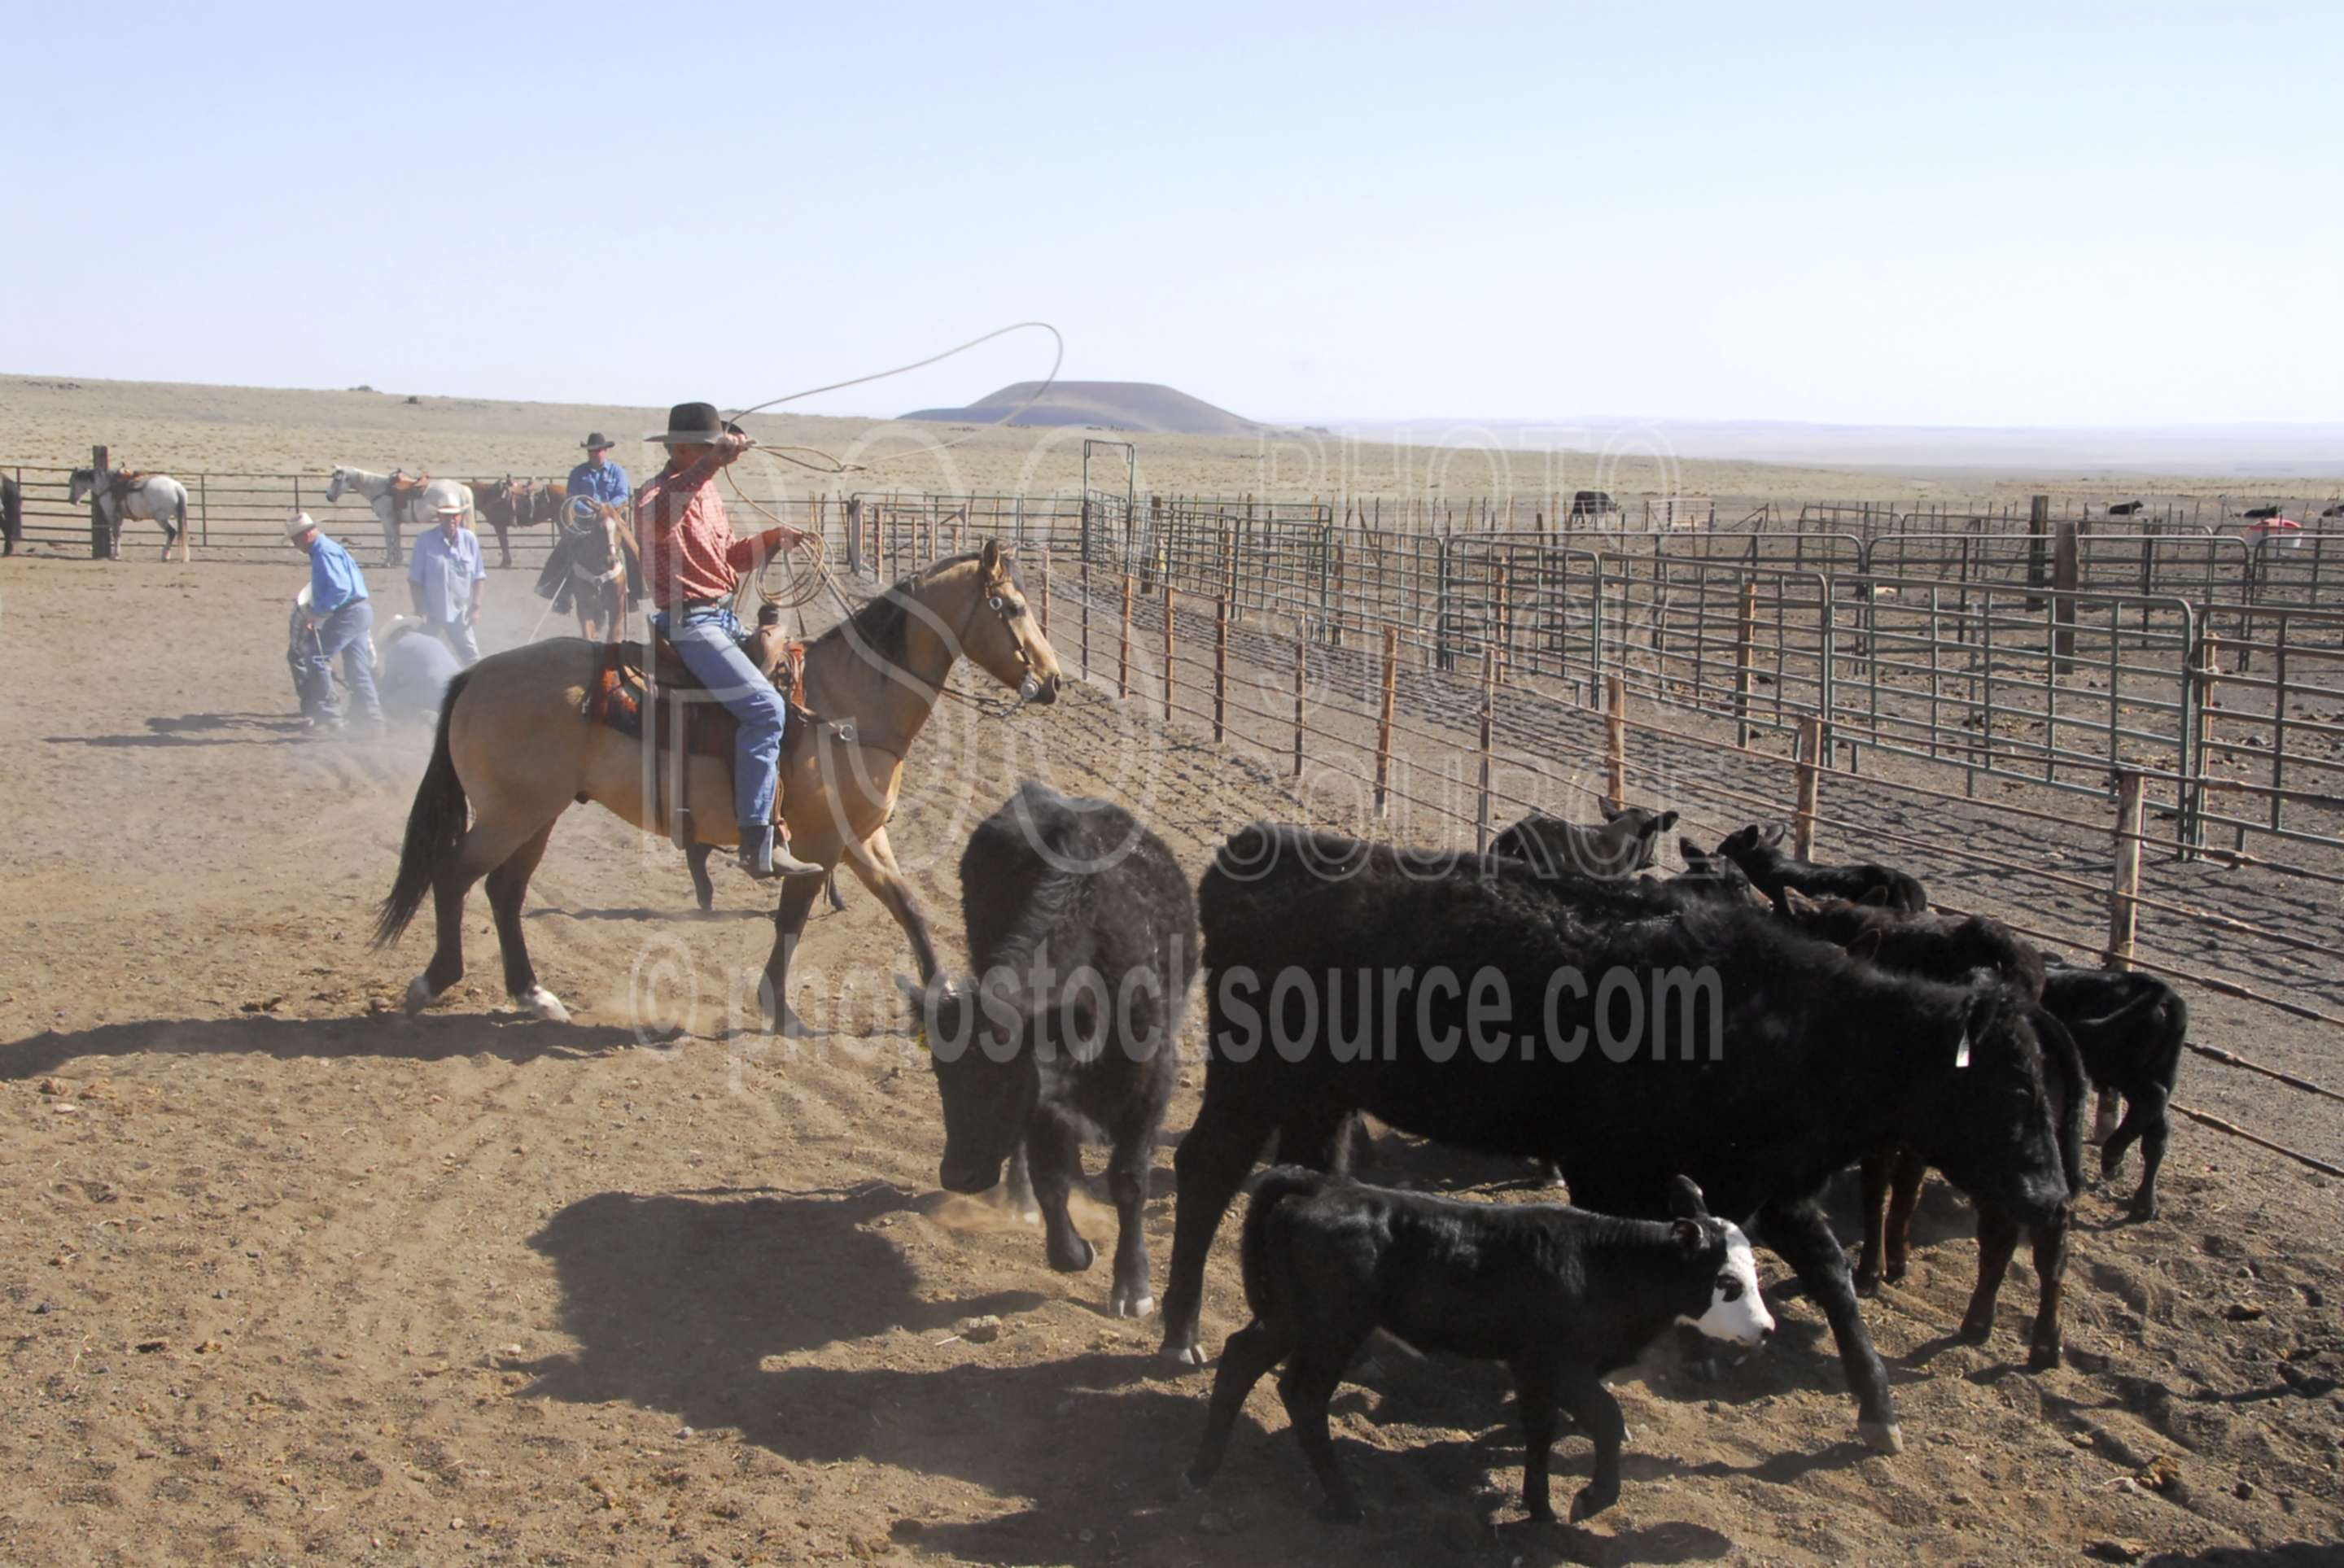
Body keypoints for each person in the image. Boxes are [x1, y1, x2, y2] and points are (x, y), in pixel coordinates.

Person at [637, 400, 818, 879]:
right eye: (707, 448)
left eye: (715, 449)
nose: (717, 456)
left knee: (795, 679)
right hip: (690, 624)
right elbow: (662, 519)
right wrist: (712, 463)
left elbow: (732, 559)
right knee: (765, 710)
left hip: (722, 618)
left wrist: (772, 539)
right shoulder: (653, 495)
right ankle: (756, 841)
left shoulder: (709, 495)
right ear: (681, 449)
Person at [286, 511, 383, 736]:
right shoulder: (329, 549)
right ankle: (373, 719)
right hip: (359, 611)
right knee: (357, 669)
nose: (296, 545)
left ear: (306, 535)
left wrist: (317, 613)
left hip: (347, 613)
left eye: (296, 540)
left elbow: (340, 589)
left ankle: (330, 716)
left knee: (315, 657)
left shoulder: (323, 552)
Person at [407, 500, 486, 665]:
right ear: (439, 517)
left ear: (460, 517)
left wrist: (476, 607)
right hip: (431, 611)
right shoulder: (425, 540)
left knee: (472, 657)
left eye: (455, 515)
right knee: (422, 656)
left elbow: (479, 576)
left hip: (460, 612)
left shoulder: (469, 540)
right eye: (447, 516)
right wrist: (420, 609)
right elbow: (415, 579)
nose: (451, 519)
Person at [378, 614, 462, 726]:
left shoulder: (397, 647)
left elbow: (388, 684)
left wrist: (376, 697)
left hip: (435, 695)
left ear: (397, 633)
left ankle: (421, 720)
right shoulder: (433, 640)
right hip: (458, 692)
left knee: (389, 700)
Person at [566, 431, 631, 514]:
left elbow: (622, 495)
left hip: (612, 514)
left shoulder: (617, 472)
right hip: (585, 517)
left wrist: (606, 508)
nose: (594, 453)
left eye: (597, 450)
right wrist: (588, 511)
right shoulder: (577, 473)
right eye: (591, 450)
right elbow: (572, 498)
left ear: (605, 450)